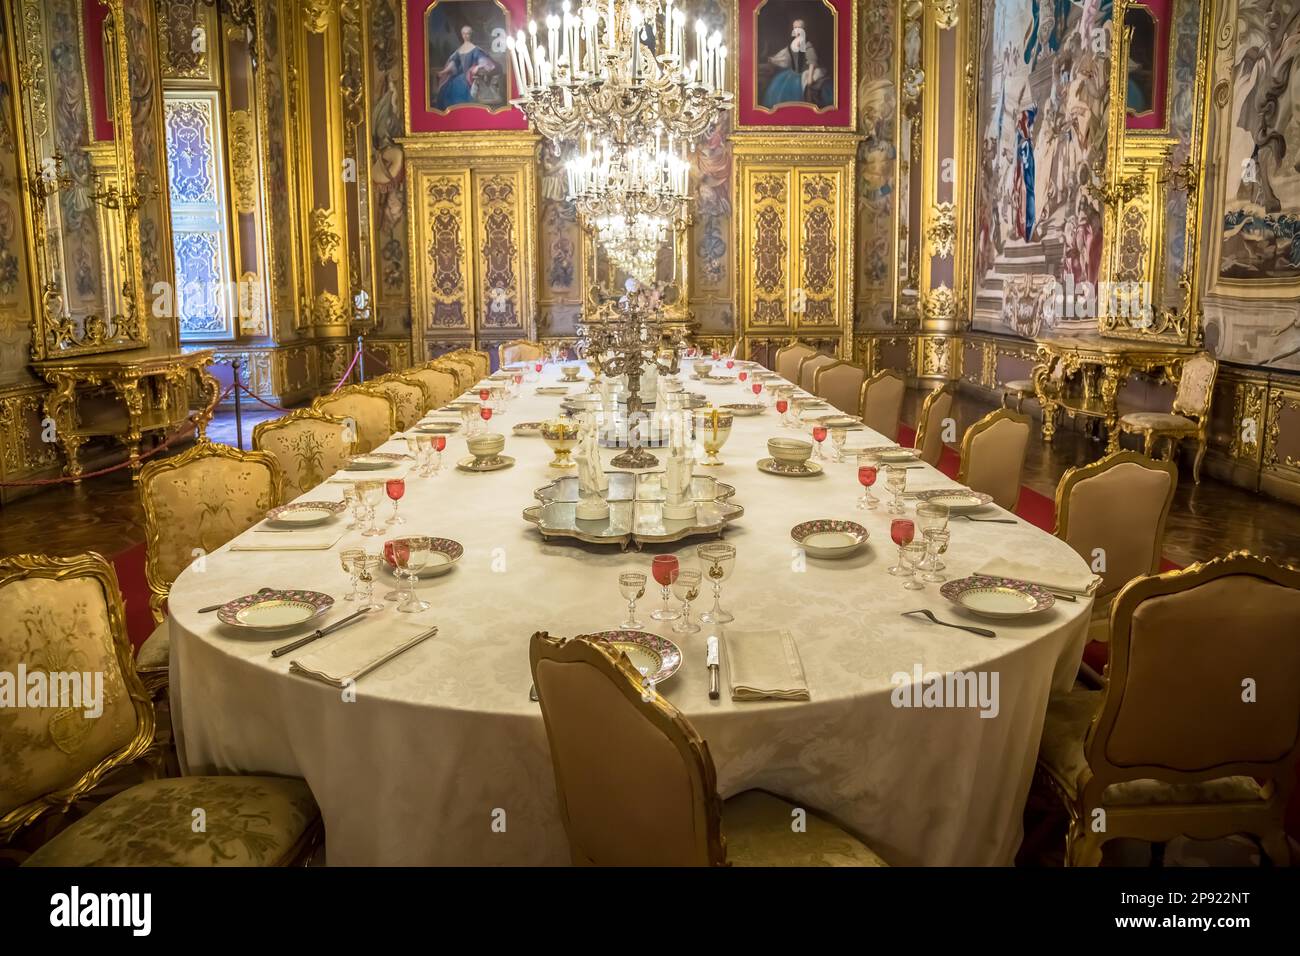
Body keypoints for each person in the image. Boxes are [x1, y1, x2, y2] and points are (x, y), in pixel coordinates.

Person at [761, 19, 830, 108]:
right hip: (792, 73)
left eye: (799, 27)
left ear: (804, 29)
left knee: (808, 90)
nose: (797, 30)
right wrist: (774, 59)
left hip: (806, 72)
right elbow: (786, 55)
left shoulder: (807, 44)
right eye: (795, 27)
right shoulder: (792, 43)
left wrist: (809, 78)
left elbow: (812, 61)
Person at [434, 25, 501, 109]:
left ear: (471, 34)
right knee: (446, 88)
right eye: (464, 34)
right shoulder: (459, 50)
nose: (466, 36)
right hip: (459, 76)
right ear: (462, 35)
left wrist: (478, 66)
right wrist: (443, 72)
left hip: (469, 77)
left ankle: (466, 112)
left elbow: (483, 60)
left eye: (468, 34)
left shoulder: (476, 49)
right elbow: (453, 63)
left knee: (460, 86)